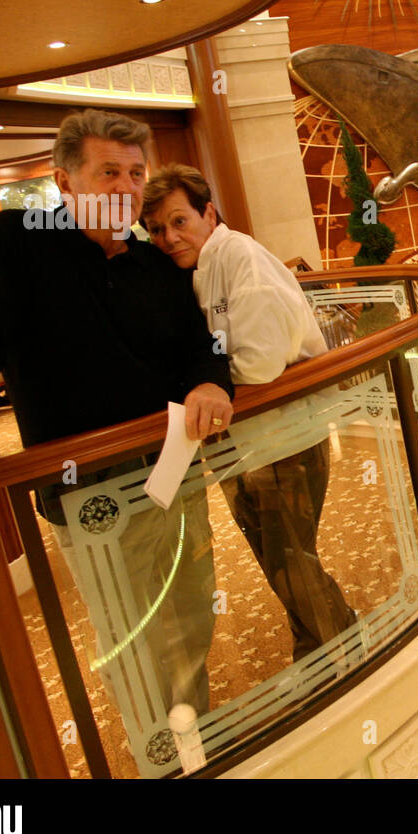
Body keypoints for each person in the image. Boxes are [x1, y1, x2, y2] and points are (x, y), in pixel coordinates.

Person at [0, 109, 234, 717]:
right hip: (90, 496)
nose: (127, 187)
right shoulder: (15, 243)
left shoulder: (153, 263)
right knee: (129, 633)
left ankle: (195, 732)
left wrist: (211, 384)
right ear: (66, 181)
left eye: (136, 173)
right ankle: (158, 749)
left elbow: (199, 349)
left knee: (191, 609)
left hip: (175, 473)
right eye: (109, 171)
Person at [141, 164, 357, 663]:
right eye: (156, 229)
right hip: (246, 446)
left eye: (179, 222)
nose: (169, 238)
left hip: (285, 440)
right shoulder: (196, 271)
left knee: (289, 559)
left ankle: (344, 649)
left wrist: (197, 388)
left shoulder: (241, 259)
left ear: (208, 213)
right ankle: (317, 645)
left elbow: (258, 363)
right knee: (277, 558)